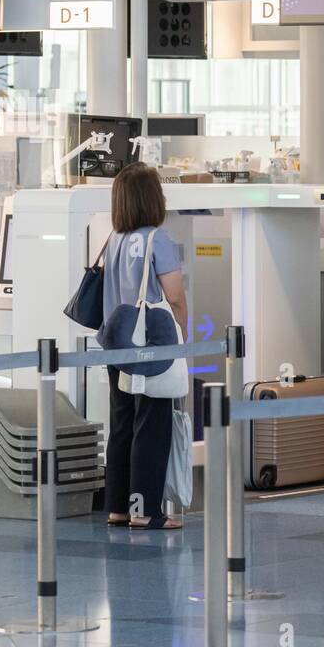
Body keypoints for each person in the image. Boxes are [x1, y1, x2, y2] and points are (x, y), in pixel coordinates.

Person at [101, 162, 188, 530]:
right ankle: (146, 510)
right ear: (154, 199)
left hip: (115, 344)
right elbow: (175, 297)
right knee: (152, 426)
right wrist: (183, 340)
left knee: (121, 424)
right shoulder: (158, 240)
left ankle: (119, 507)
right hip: (152, 347)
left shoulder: (113, 240)